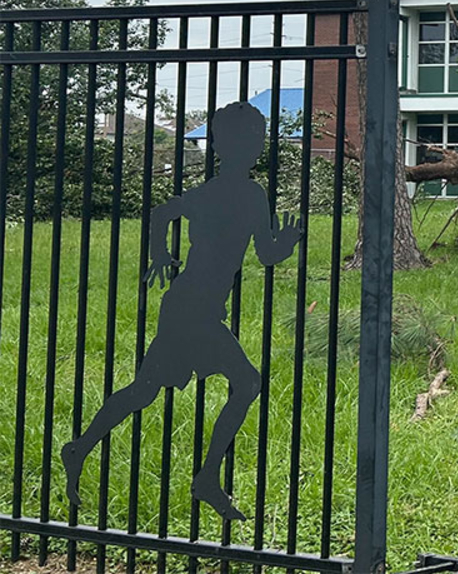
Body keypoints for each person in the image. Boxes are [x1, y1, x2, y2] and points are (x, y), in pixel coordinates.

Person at [61, 101, 301, 521]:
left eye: (257, 137)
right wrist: (288, 243)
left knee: (144, 391)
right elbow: (266, 255)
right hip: (195, 310)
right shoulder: (250, 194)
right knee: (245, 383)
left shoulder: (213, 192)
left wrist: (160, 253)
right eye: (250, 138)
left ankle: (80, 448)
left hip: (190, 305)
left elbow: (162, 214)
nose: (255, 145)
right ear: (227, 145)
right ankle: (205, 479)